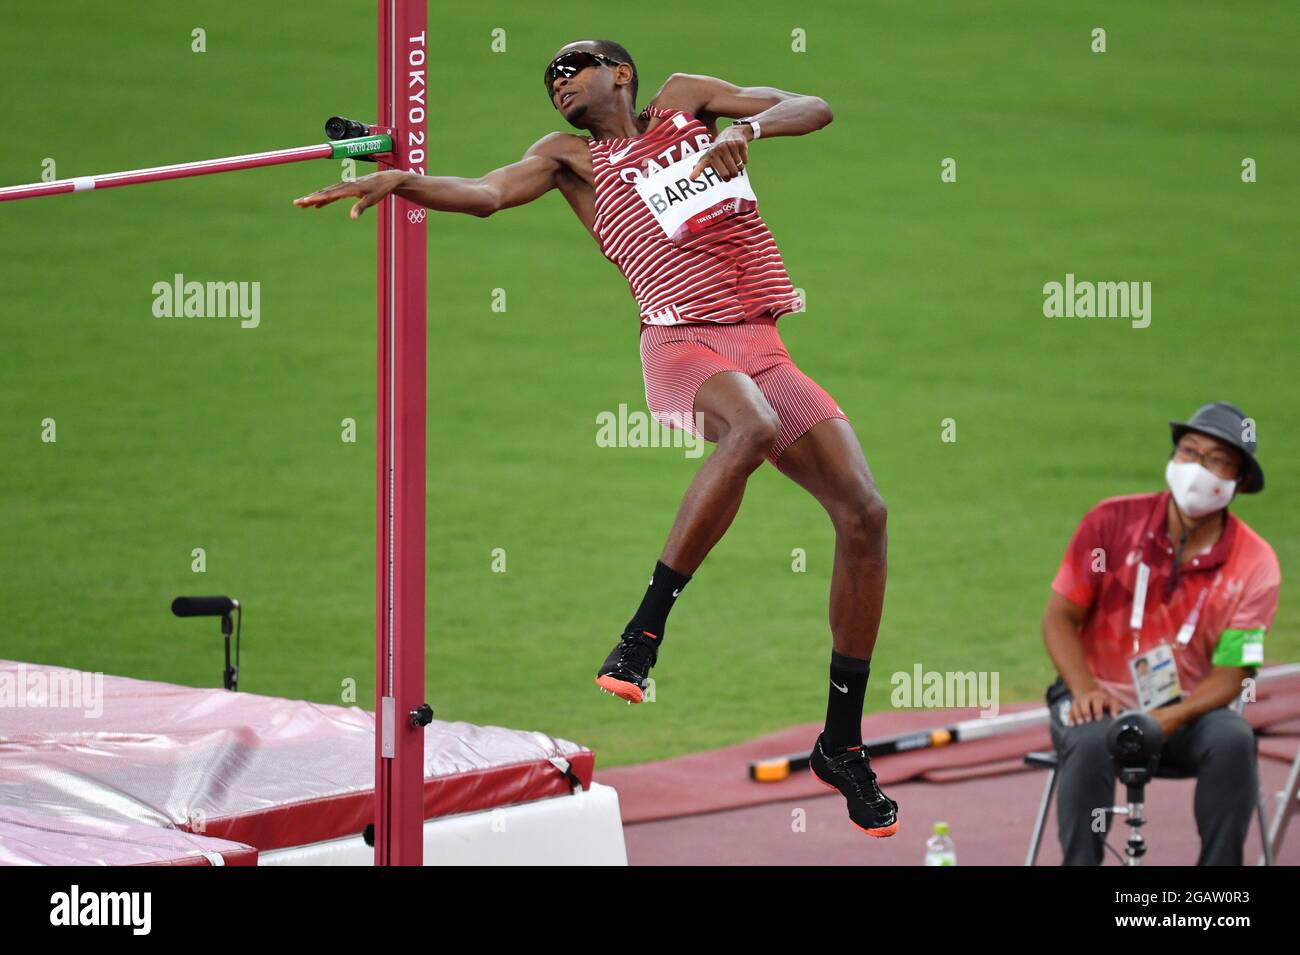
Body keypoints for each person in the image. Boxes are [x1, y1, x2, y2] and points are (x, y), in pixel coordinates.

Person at [294, 39, 897, 836]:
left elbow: (811, 106)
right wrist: (408, 181)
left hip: (759, 338)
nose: (558, 87)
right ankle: (642, 635)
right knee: (748, 423)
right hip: (681, 343)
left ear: (621, 73)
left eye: (570, 69)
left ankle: (842, 742)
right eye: (548, 83)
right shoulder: (567, 158)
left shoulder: (689, 100)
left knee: (865, 514)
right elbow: (482, 192)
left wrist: (748, 132)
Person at [1041, 401, 1280, 864]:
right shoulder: (1110, 522)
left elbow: (1234, 675)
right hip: (1097, 699)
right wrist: (1085, 689)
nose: (1196, 468)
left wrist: (1168, 718)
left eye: (1215, 460)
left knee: (1233, 738)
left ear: (1239, 481)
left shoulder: (1257, 564)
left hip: (1187, 712)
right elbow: (1059, 618)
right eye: (1188, 451)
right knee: (1090, 739)